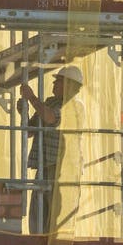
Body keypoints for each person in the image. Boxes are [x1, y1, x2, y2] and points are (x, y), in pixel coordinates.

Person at [17, 65, 84, 234]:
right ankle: (38, 243)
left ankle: (54, 244)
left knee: (56, 213)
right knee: (38, 210)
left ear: (69, 85)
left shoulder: (75, 106)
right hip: (45, 164)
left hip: (63, 168)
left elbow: (51, 118)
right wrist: (23, 113)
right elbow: (30, 132)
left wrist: (32, 98)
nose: (54, 84)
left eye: (58, 81)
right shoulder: (49, 103)